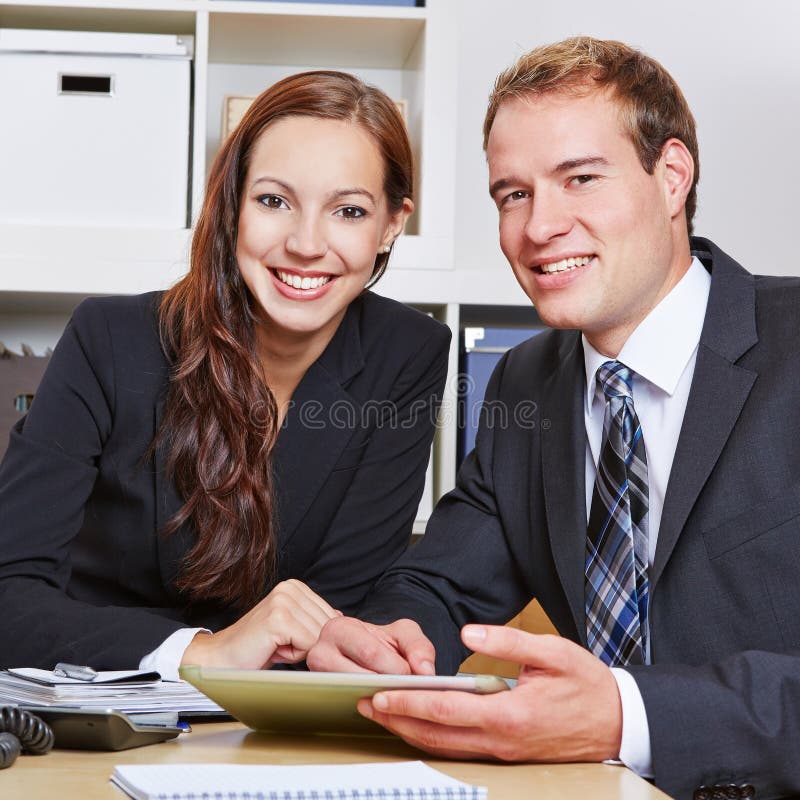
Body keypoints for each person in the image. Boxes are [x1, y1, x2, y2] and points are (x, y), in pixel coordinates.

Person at [307, 37, 800, 800]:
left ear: (671, 176)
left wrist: (625, 716)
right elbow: (441, 582)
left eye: (581, 179)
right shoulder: (524, 382)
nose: (540, 228)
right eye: (514, 194)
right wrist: (391, 637)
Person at [0, 70, 450, 679]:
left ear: (391, 224)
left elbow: (342, 612)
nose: (306, 243)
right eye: (273, 201)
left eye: (348, 210)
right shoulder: (108, 338)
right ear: (233, 202)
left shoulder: (408, 351)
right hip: (100, 711)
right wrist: (202, 652)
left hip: (282, 731)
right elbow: (10, 597)